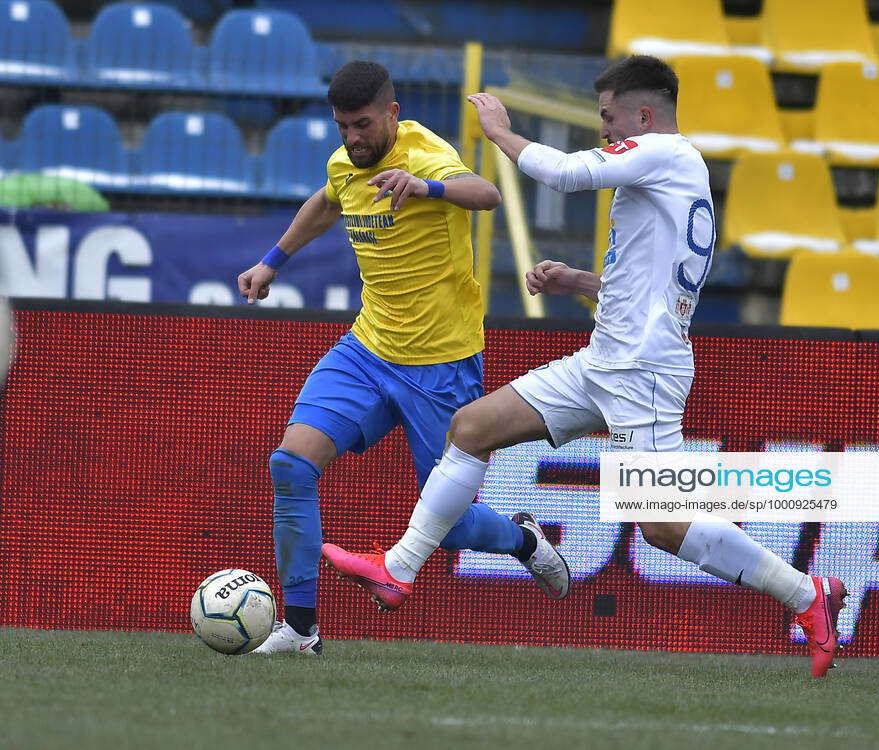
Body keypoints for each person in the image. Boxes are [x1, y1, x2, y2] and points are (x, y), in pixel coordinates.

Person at [322, 55, 848, 678]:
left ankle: (808, 596)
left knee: (661, 525)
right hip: (606, 361)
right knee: (471, 428)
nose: (603, 129)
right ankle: (399, 569)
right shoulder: (671, 173)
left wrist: (500, 133)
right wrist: (579, 281)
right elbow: (651, 282)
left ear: (643, 115)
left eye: (608, 116)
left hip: (644, 375)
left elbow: (567, 174)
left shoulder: (666, 155)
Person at [239, 61, 570, 656]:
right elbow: (328, 199)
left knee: (452, 527)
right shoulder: (348, 163)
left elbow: (486, 193)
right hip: (367, 351)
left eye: (362, 125)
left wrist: (425, 188)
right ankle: (300, 628)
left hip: (442, 365)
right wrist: (272, 262)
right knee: (291, 465)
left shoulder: (424, 153)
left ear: (391, 114)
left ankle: (525, 543)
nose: (352, 139)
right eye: (342, 127)